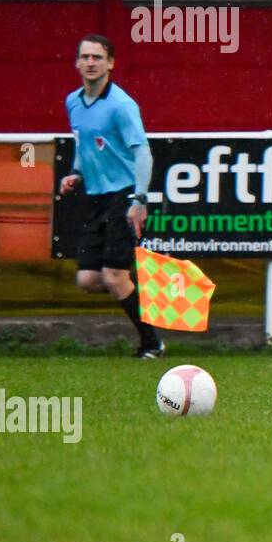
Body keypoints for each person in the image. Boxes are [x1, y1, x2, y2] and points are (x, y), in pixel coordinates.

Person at [60, 33, 165, 359]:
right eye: (86, 57)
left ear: (111, 63)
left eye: (98, 58)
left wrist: (140, 199)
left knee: (114, 275)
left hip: (124, 196)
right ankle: (134, 286)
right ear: (77, 62)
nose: (91, 63)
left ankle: (152, 344)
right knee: (88, 279)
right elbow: (83, 145)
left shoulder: (121, 105)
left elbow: (143, 153)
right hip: (96, 198)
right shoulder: (73, 102)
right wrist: (76, 173)